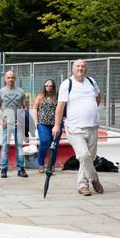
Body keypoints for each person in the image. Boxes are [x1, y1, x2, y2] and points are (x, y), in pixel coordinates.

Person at [52, 59, 103, 197]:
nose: (80, 68)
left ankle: (83, 185)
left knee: (88, 159)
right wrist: (57, 125)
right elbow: (60, 107)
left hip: (92, 126)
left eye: (83, 66)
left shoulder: (91, 81)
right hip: (74, 127)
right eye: (78, 66)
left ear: (86, 69)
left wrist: (90, 109)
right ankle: (94, 179)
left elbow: (98, 97)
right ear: (73, 69)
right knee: (83, 155)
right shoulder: (67, 84)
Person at [0, 69, 29, 178]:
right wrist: (1, 120)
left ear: (15, 78)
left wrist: (22, 120)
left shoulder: (21, 92)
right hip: (6, 123)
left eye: (12, 77)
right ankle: (3, 169)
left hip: (18, 123)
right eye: (8, 77)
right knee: (5, 146)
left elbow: (25, 107)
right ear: (5, 79)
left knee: (19, 146)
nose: (10, 79)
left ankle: (21, 169)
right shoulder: (0, 92)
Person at [34, 78, 59, 172]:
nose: (48, 87)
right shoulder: (40, 96)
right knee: (44, 141)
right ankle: (41, 164)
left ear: (53, 87)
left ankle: (51, 165)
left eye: (50, 85)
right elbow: (35, 108)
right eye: (46, 85)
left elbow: (62, 108)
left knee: (54, 144)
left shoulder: (57, 96)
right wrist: (36, 121)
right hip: (42, 123)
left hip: (55, 124)